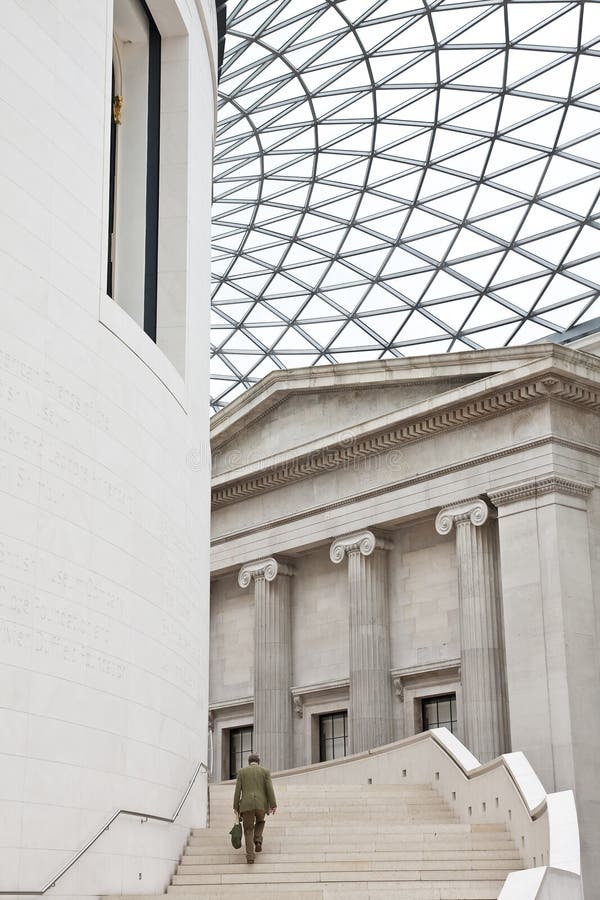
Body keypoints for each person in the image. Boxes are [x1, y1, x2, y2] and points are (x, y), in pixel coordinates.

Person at [233, 751, 277, 863]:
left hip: (246, 805)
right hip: (261, 804)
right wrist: (273, 805)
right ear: (258, 762)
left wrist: (235, 806)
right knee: (260, 821)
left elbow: (237, 790)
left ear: (249, 762)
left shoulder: (242, 772)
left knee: (248, 830)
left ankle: (250, 857)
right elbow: (269, 789)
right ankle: (257, 840)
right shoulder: (265, 771)